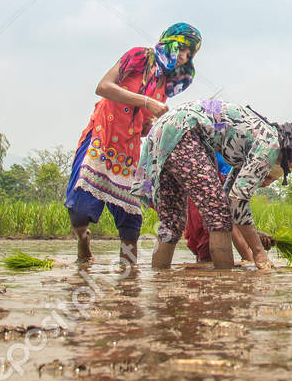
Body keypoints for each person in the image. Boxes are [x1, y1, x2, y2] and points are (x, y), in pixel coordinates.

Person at [64, 23, 202, 266]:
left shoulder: (164, 85)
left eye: (189, 54)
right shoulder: (140, 57)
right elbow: (103, 87)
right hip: (102, 137)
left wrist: (152, 123)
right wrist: (147, 102)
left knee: (130, 226)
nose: (183, 57)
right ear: (169, 41)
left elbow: (142, 125)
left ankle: (129, 279)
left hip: (128, 152)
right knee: (80, 210)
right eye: (182, 48)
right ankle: (83, 247)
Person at [139, 99, 292, 270]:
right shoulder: (271, 144)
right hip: (186, 132)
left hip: (168, 129)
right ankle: (225, 283)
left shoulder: (259, 144)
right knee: (219, 216)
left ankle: (159, 282)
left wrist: (253, 234)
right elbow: (237, 200)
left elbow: (230, 198)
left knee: (171, 224)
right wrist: (258, 253)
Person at [183, 154, 276, 264]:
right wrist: (254, 258)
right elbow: (228, 220)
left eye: (273, 180)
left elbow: (232, 218)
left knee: (208, 254)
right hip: (203, 183)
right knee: (207, 248)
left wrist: (254, 236)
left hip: (200, 181)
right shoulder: (235, 175)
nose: (266, 183)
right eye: (268, 177)